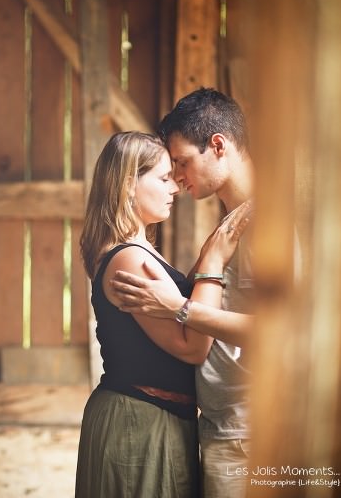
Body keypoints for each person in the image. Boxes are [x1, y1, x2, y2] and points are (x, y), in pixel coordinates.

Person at [74, 131, 249, 498]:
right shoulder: (129, 259)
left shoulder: (135, 251)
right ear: (128, 185)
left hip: (154, 416)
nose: (175, 188)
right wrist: (213, 263)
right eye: (164, 178)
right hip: (139, 421)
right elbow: (192, 348)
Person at [110, 88, 257, 497]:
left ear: (218, 145)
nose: (175, 177)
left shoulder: (267, 227)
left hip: (249, 434)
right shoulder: (229, 226)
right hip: (221, 424)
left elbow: (288, 332)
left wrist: (179, 308)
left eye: (181, 162)